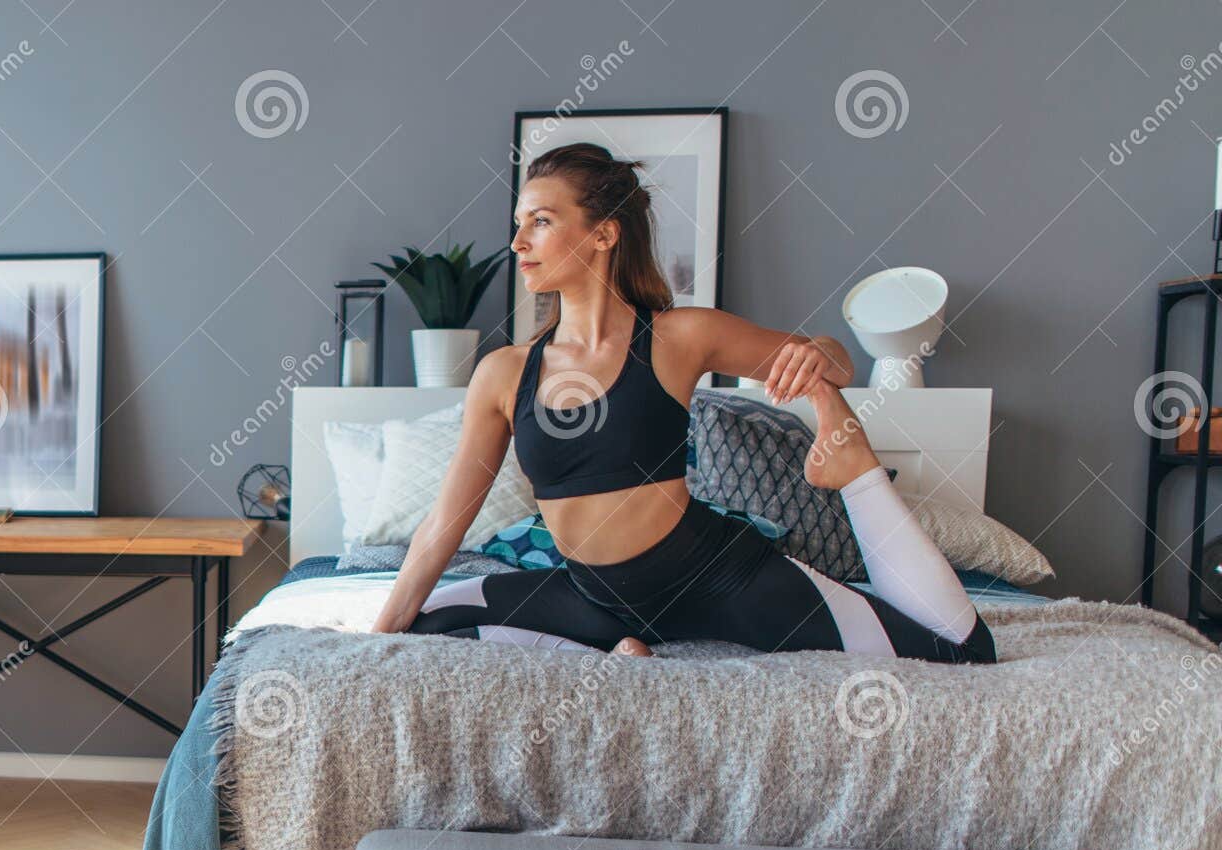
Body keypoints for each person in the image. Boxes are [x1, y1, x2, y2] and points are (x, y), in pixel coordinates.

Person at [369, 142, 994, 664]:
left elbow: (835, 360)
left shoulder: (679, 336)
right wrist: (377, 640)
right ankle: (615, 645)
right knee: (420, 625)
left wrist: (821, 357)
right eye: (518, 223)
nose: (517, 243)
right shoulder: (503, 373)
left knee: (960, 653)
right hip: (594, 595)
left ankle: (853, 467)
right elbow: (444, 524)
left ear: (604, 234)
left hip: (720, 580)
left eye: (540, 221)